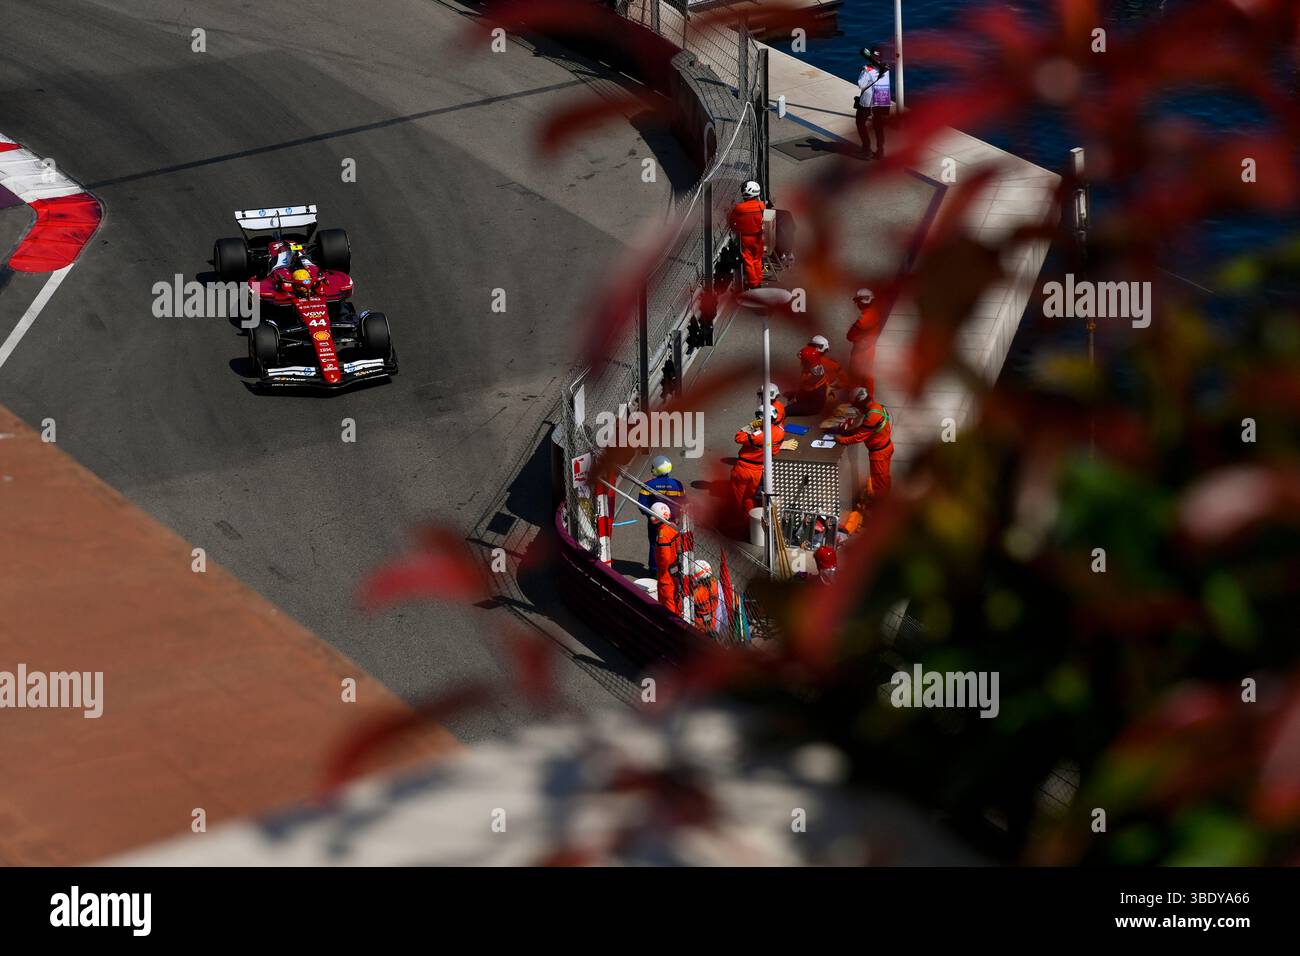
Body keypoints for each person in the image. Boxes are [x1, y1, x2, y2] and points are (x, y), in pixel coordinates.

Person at [835, 385, 894, 504]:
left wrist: (841, 440)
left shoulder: (872, 416)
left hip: (879, 455)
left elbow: (860, 437)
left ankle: (880, 506)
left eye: (857, 406)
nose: (858, 410)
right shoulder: (876, 407)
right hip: (886, 447)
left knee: (879, 483)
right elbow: (864, 429)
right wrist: (849, 432)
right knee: (884, 478)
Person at [731, 405, 785, 520]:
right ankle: (748, 524)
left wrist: (751, 426)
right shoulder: (780, 432)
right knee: (749, 498)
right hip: (758, 470)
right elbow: (774, 452)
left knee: (737, 499)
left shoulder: (758, 435)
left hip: (743, 468)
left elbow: (738, 437)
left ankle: (736, 526)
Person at [639, 455, 685, 569]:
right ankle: (671, 567)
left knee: (654, 544)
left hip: (654, 521)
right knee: (672, 543)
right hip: (673, 522)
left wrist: (651, 516)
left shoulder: (648, 485)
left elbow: (641, 504)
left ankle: (654, 569)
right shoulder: (678, 485)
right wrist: (678, 516)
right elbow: (683, 503)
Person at [855, 46, 893, 159]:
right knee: (878, 126)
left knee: (860, 123)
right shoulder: (886, 69)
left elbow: (861, 84)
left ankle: (866, 149)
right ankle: (880, 151)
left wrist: (864, 70)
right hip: (882, 101)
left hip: (867, 102)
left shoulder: (868, 70)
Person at [729, 180, 766, 290]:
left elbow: (732, 221)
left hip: (746, 237)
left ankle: (753, 283)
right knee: (757, 259)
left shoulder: (739, 208)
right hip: (759, 237)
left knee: (748, 261)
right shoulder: (761, 206)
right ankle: (758, 280)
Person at [846, 288, 883, 396]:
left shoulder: (866, 317)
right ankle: (867, 401)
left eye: (858, 301)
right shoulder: (872, 313)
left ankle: (860, 401)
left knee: (858, 377)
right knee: (865, 376)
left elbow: (850, 336)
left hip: (862, 351)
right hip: (866, 349)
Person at [651, 502, 683, 616]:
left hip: (666, 574)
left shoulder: (662, 533)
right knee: (675, 598)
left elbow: (664, 557)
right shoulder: (672, 527)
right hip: (674, 568)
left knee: (667, 601)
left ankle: (670, 626)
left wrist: (662, 571)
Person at [786, 344, 832, 416]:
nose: (801, 362)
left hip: (813, 405)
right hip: (810, 397)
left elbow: (805, 389)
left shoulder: (813, 376)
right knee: (789, 396)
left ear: (808, 361)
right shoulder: (814, 367)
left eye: (803, 360)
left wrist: (796, 399)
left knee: (786, 410)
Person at [690, 559, 721, 633]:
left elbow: (689, 596)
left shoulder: (699, 593)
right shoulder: (714, 584)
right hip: (711, 618)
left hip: (699, 621)